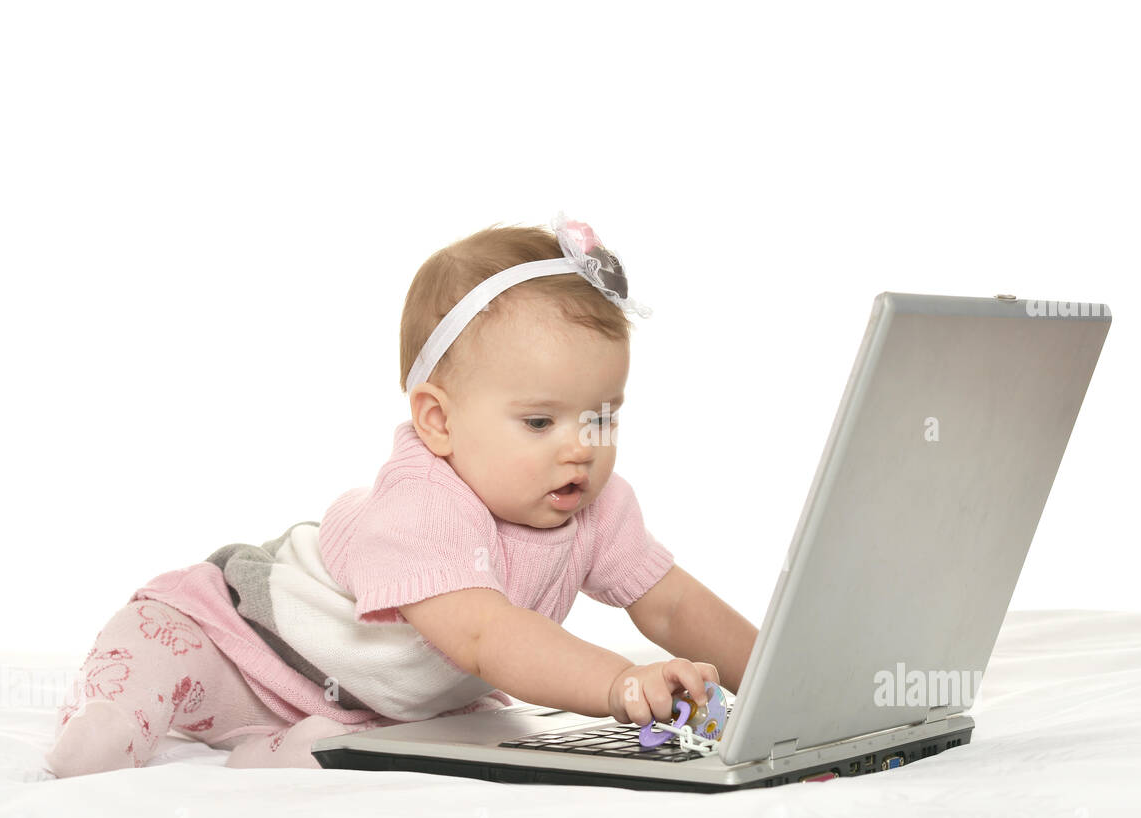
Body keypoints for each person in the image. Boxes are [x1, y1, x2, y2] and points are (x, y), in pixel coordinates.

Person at [44, 213, 759, 777]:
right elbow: (485, 635)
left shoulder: (596, 504)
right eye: (541, 420)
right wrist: (621, 683)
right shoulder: (423, 500)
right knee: (158, 654)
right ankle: (109, 717)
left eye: (603, 415)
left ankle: (287, 753)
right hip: (239, 641)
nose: (583, 445)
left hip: (375, 705)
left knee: (465, 734)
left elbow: (671, 602)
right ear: (438, 422)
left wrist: (772, 671)